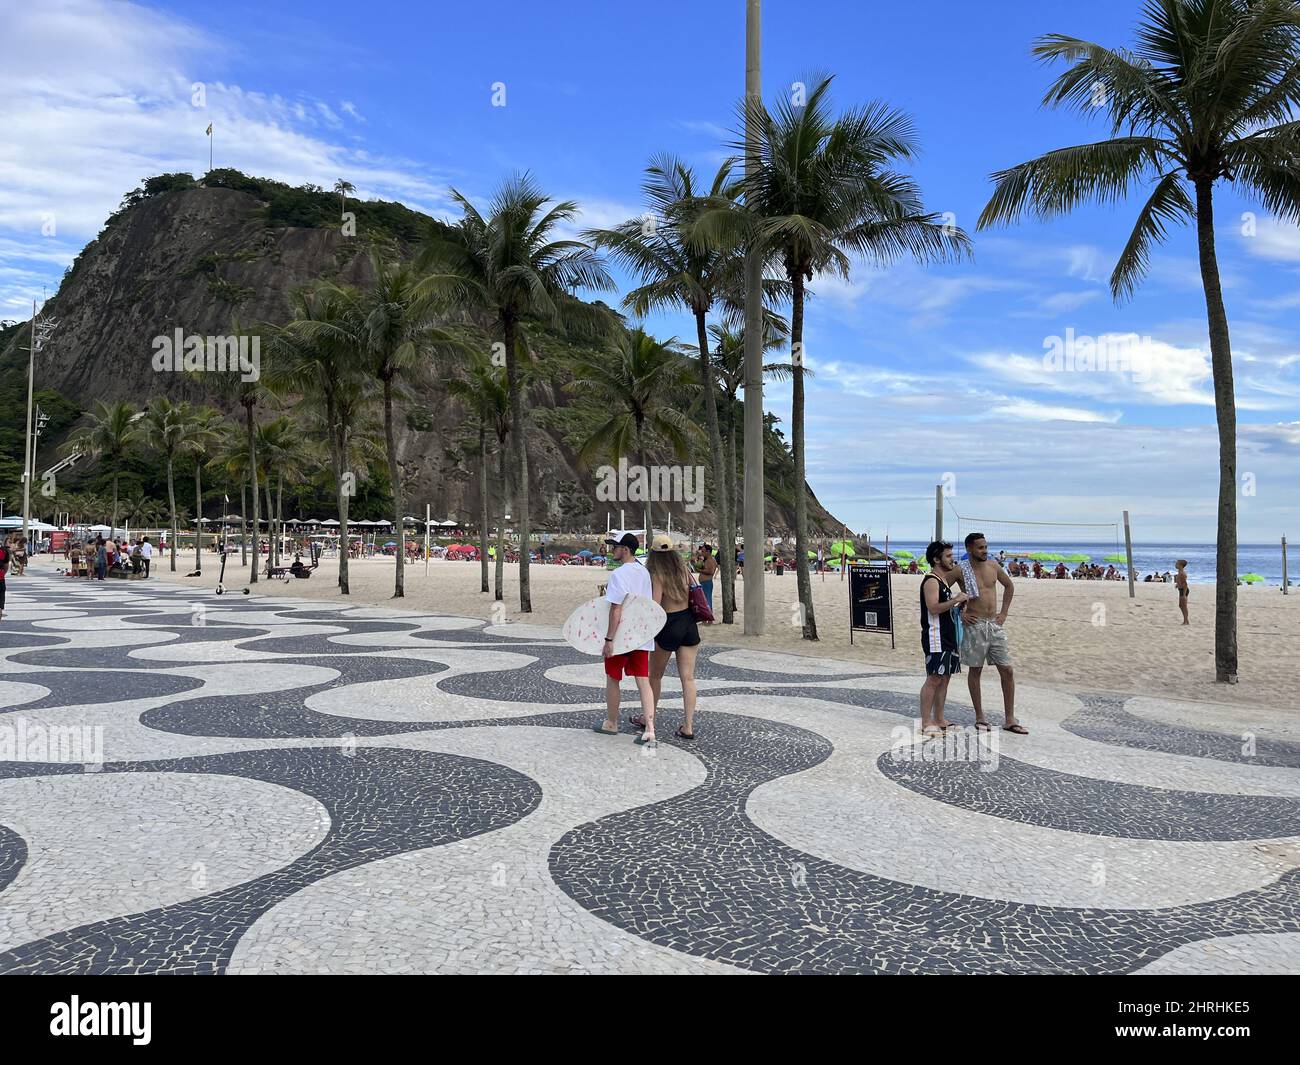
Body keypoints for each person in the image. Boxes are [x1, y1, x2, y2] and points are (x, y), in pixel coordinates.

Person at [593, 532, 657, 746]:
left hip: (620, 637)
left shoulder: (619, 575)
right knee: (642, 680)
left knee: (613, 678)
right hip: (639, 634)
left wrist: (609, 639)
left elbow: (616, 610)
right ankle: (650, 729)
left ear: (626, 549)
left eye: (615, 547)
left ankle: (612, 722)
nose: (613, 550)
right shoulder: (644, 572)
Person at [960, 532, 1026, 734]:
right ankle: (980, 716)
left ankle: (1009, 718)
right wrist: (960, 613)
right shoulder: (961, 570)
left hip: (994, 625)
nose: (985, 551)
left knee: (1007, 669)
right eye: (980, 547)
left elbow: (1009, 586)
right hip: (974, 625)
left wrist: (1004, 612)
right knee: (976, 670)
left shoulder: (993, 566)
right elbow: (941, 588)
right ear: (969, 548)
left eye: (986, 547)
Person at [640, 534, 702, 741]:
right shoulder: (684, 570)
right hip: (689, 622)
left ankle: (649, 718)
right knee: (688, 678)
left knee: (655, 676)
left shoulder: (657, 573)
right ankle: (688, 725)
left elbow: (656, 605)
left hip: (668, 623)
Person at [918, 540, 969, 736]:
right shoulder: (931, 581)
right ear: (936, 559)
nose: (952, 559)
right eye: (948, 556)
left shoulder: (944, 581)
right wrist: (955, 599)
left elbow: (944, 608)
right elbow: (933, 608)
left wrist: (958, 605)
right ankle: (926, 721)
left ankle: (939, 718)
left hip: (947, 636)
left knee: (945, 677)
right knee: (934, 678)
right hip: (935, 636)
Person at [695, 543, 718, 614]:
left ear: (708, 552)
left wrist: (699, 570)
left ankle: (709, 618)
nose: (702, 553)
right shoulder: (707, 560)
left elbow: (710, 571)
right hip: (705, 582)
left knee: (707, 600)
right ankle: (707, 617)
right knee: (705, 600)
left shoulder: (710, 560)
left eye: (703, 551)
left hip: (707, 583)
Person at [1175, 559, 1190, 625]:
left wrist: (1184, 595)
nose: (1175, 564)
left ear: (1180, 565)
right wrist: (1177, 584)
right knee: (1181, 605)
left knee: (1183, 606)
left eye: (1177, 563)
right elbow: (1180, 581)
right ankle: (1186, 620)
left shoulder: (1182, 573)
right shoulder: (1179, 572)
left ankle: (1186, 621)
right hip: (1181, 589)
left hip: (1184, 590)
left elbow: (1185, 584)